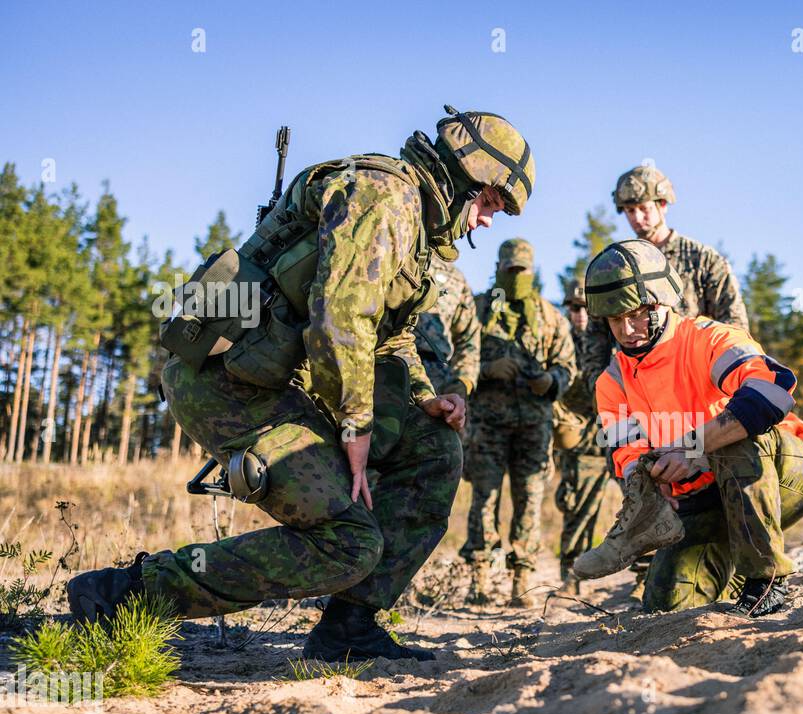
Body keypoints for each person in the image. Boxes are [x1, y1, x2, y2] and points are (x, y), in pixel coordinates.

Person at [67, 106, 535, 661]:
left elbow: (391, 341)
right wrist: (356, 426)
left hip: (286, 387)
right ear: (462, 177)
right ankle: (124, 597)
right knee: (349, 544)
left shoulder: (417, 236)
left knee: (434, 449)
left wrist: (424, 396)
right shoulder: (385, 196)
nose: (485, 221)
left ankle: (348, 627)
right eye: (487, 203)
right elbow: (340, 316)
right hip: (226, 384)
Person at [573, 240, 803, 617]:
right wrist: (651, 481)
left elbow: (771, 392)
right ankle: (734, 567)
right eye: (613, 320)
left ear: (663, 301)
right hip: (704, 500)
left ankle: (765, 581)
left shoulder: (710, 339)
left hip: (783, 473)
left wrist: (694, 447)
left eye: (636, 314)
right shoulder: (611, 382)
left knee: (732, 442)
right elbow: (625, 454)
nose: (626, 330)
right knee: (664, 604)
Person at [459, 238, 577, 607]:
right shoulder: (477, 311)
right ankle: (479, 579)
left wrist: (550, 382)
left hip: (534, 427)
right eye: (509, 270)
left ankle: (521, 579)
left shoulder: (550, 316)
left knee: (530, 500)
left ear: (532, 272)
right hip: (487, 425)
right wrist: (485, 370)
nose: (515, 276)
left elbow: (567, 367)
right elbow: (454, 360)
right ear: (498, 268)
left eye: (522, 271)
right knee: (484, 499)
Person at [578, 165, 748, 387]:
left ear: (663, 205)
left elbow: (734, 327)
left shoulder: (703, 260)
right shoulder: (615, 266)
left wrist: (723, 383)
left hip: (697, 388)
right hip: (636, 393)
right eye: (630, 211)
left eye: (643, 208)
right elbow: (596, 335)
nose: (638, 218)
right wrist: (600, 389)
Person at [552, 276, 611, 595]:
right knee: (577, 503)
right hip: (581, 433)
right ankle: (573, 576)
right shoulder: (562, 340)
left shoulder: (611, 335)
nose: (579, 313)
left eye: (585, 307)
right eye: (573, 307)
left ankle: (644, 579)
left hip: (616, 427)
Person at [414, 256, 480, 399]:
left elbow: (468, 337)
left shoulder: (456, 279)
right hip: (392, 363)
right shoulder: (403, 256)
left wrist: (463, 381)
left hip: (439, 376)